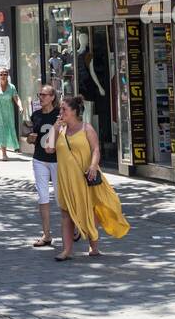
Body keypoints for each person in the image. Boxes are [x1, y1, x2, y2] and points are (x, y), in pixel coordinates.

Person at [50, 94, 129, 261]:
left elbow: (96, 150)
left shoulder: (86, 128)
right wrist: (54, 128)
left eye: (64, 109)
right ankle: (66, 251)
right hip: (66, 179)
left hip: (85, 177)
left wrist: (93, 165)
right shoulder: (60, 129)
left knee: (90, 210)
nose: (61, 112)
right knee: (66, 213)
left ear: (74, 111)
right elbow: (49, 149)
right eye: (60, 109)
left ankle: (93, 247)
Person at [26, 84, 61, 247]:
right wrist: (30, 138)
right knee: (43, 196)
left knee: (61, 197)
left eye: (44, 95)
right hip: (39, 159)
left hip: (57, 160)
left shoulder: (59, 115)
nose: (41, 97)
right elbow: (31, 136)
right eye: (39, 94)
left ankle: (73, 228)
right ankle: (46, 234)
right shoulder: (36, 115)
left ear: (52, 97)